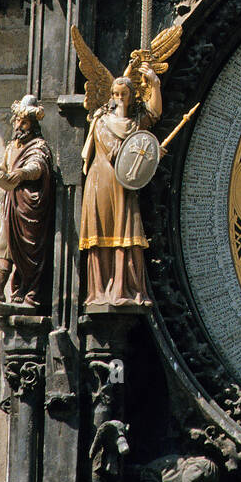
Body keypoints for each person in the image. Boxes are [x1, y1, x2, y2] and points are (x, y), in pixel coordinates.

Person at [80, 65, 160, 305]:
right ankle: (101, 291)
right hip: (102, 181)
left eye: (123, 94)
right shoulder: (102, 121)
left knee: (127, 232)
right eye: (115, 94)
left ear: (131, 95)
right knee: (104, 232)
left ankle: (125, 289)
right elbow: (116, 153)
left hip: (124, 185)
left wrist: (154, 84)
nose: (118, 98)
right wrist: (145, 155)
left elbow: (154, 114)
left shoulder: (135, 123)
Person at [0, 95, 53, 308]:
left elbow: (38, 166)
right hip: (10, 202)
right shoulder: (12, 146)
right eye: (18, 121)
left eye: (24, 122)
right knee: (3, 245)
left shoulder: (38, 145)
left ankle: (26, 289)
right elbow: (4, 167)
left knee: (22, 249)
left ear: (33, 124)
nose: (19, 125)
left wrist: (21, 173)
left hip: (26, 206)